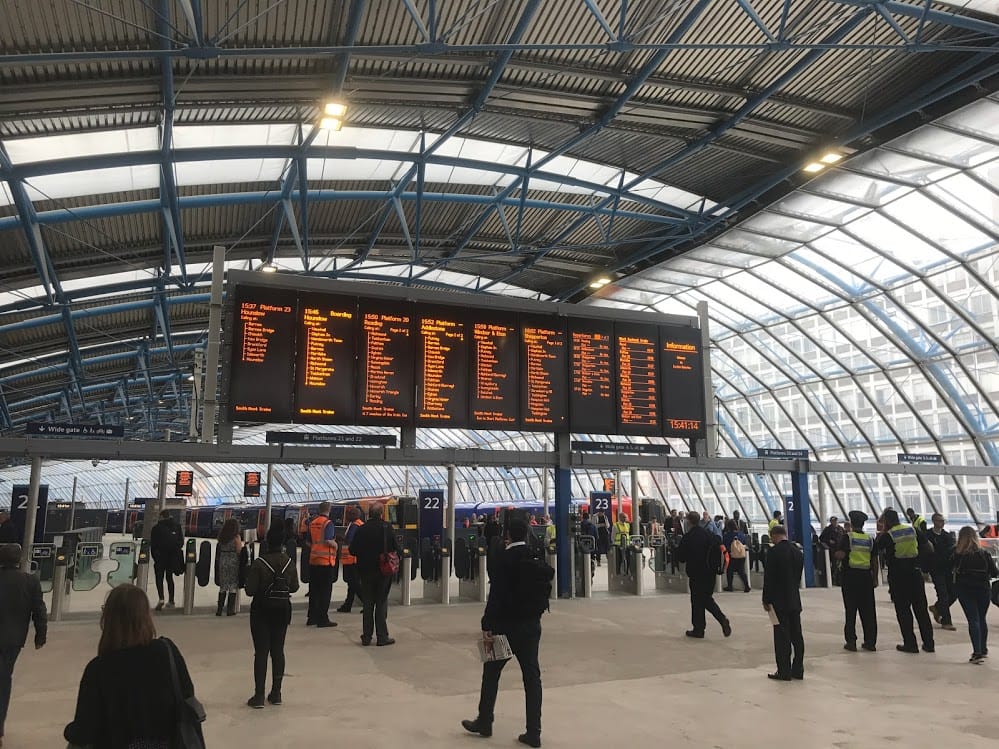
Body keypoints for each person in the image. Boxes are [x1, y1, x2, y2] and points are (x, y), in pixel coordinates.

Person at [64, 584, 202, 749]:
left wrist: (69, 731)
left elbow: (84, 731)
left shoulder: (98, 669)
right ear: (145, 616)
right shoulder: (167, 651)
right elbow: (187, 697)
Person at [462, 518, 543, 748]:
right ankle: (534, 732)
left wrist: (486, 623)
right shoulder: (534, 556)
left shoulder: (503, 558)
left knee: (491, 674)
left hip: (504, 628)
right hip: (530, 628)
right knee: (532, 678)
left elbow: (496, 595)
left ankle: (485, 721)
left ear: (508, 535)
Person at [245, 524, 300, 708]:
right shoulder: (289, 562)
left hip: (261, 611)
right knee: (278, 651)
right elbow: (294, 587)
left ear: (267, 542)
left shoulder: (259, 563)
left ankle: (258, 696)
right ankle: (276, 693)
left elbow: (250, 590)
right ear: (283, 542)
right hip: (282, 611)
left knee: (261, 652)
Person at [0, 544, 46, 747]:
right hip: (13, 640)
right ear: (19, 560)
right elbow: (39, 610)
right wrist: (40, 636)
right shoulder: (30, 581)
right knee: (3, 680)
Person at [876, 508, 934, 654]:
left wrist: (882, 531)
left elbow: (875, 549)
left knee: (903, 611)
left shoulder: (888, 535)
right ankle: (929, 643)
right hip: (915, 573)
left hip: (898, 576)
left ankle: (910, 643)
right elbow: (929, 548)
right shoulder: (913, 530)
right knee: (921, 610)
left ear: (886, 522)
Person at [349, 502, 400, 646]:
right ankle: (382, 636)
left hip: (365, 571)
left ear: (368, 514)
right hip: (383, 571)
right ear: (381, 514)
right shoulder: (386, 527)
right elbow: (396, 547)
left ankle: (366, 636)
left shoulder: (361, 529)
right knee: (381, 602)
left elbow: (353, 550)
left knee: (368, 604)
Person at [676, 511, 731, 639]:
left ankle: (704, 626)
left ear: (689, 522)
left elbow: (681, 557)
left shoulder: (688, 537)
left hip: (696, 573)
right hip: (710, 572)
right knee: (706, 598)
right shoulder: (709, 535)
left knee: (698, 600)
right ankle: (701, 628)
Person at [950, 526, 999, 664]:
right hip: (983, 589)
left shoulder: (956, 554)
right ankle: (983, 649)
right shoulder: (984, 554)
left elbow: (948, 568)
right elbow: (995, 572)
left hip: (965, 589)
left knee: (973, 619)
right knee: (981, 618)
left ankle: (977, 652)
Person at [762, 525, 804, 681]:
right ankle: (798, 668)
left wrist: (766, 599)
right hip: (794, 599)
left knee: (781, 636)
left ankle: (784, 670)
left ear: (774, 535)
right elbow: (798, 577)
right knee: (797, 635)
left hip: (779, 601)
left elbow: (770, 578)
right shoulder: (797, 552)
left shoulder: (774, 552)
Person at [835, 511, 878, 652]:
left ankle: (851, 642)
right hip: (866, 577)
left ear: (852, 523)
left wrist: (837, 554)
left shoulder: (847, 537)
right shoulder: (869, 539)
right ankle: (870, 642)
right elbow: (874, 560)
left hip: (850, 577)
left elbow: (840, 555)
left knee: (851, 610)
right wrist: (875, 577)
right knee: (868, 611)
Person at [306, 501, 338, 628]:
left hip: (314, 561)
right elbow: (328, 540)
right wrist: (336, 546)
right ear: (329, 510)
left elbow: (308, 542)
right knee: (325, 591)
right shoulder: (328, 523)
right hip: (326, 562)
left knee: (314, 590)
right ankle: (323, 619)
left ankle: (311, 617)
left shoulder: (312, 523)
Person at [926, 513, 957, 632]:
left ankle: (937, 608)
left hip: (948, 569)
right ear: (934, 521)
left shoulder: (947, 536)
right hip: (936, 569)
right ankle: (946, 621)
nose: (942, 523)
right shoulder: (927, 535)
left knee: (953, 593)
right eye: (940, 520)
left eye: (943, 521)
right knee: (943, 594)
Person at [149, 510, 183, 612]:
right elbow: (181, 542)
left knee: (159, 578)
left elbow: (153, 545)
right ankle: (171, 601)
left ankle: (161, 599)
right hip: (172, 557)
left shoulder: (156, 528)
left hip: (160, 558)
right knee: (169, 578)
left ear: (161, 516)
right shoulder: (177, 526)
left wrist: (155, 557)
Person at [337, 507, 364, 614]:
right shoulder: (360, 524)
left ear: (354, 515)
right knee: (352, 584)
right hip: (355, 558)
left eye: (349, 513)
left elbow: (350, 540)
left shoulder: (354, 526)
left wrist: (341, 539)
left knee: (354, 583)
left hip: (351, 559)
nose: (347, 515)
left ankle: (367, 603)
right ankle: (347, 605)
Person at [215, 517, 244, 617]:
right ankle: (230, 610)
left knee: (223, 586)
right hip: (233, 562)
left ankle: (219, 610)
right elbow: (239, 550)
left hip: (223, 561)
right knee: (232, 585)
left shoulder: (222, 537)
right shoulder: (236, 537)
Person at [722, 519, 750, 592]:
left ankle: (730, 586)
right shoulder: (741, 534)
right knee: (741, 571)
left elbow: (725, 544)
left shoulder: (727, 535)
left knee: (729, 570)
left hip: (732, 555)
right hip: (741, 555)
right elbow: (744, 543)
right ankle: (747, 585)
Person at [819, 515, 845, 586]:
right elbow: (821, 538)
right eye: (833, 521)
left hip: (839, 549)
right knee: (833, 566)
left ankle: (838, 580)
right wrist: (828, 541)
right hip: (831, 550)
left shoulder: (841, 529)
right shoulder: (828, 529)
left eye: (836, 521)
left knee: (839, 566)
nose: (835, 522)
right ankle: (833, 580)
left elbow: (845, 537)